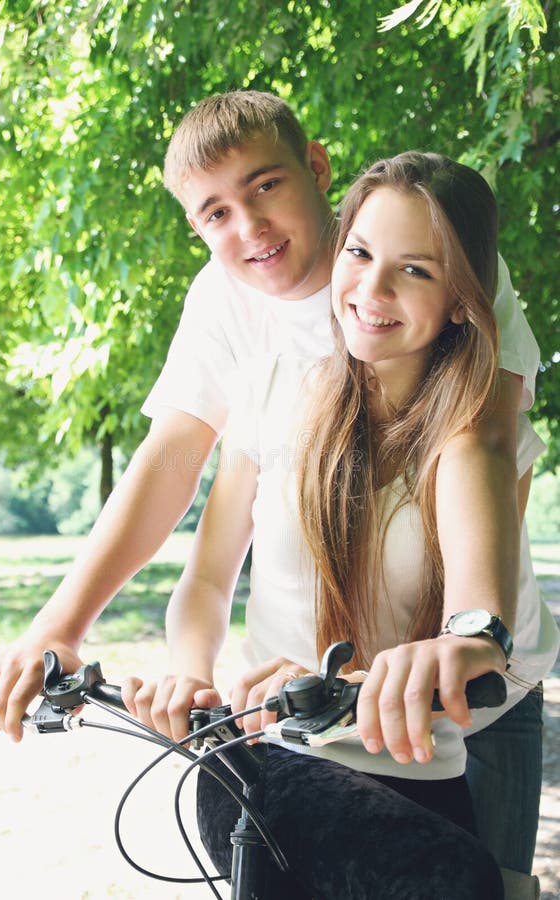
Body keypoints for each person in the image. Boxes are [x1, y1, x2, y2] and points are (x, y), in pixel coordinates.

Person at [0, 91, 547, 877]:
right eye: (215, 213)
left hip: (474, 685)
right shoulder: (244, 332)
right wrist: (68, 633)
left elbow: (481, 438)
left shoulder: (428, 231)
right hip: (305, 708)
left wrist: (467, 633)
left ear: (315, 169)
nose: (250, 228)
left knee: (483, 880)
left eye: (265, 186)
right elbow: (174, 461)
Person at [124, 151, 558, 898]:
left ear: (460, 299)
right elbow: (206, 573)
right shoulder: (273, 391)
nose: (372, 288)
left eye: (415, 270)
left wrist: (470, 636)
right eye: (358, 253)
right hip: (282, 756)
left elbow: (476, 591)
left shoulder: (473, 432)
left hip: (436, 753)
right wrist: (190, 673)